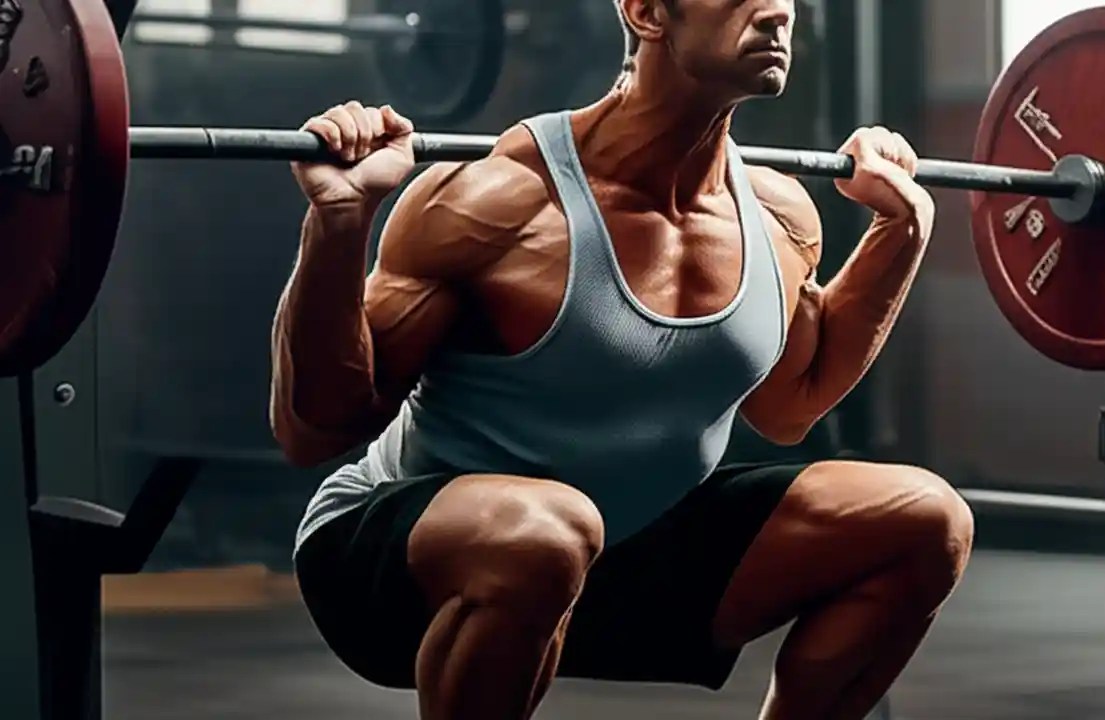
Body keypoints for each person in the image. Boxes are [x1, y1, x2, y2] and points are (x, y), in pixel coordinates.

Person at [271, 0, 974, 718]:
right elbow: (315, 428)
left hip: (614, 550)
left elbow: (790, 406)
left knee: (925, 519)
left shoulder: (778, 215)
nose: (777, 13)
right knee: (550, 530)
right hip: (390, 564)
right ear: (645, 12)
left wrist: (903, 229)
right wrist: (338, 221)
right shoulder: (498, 201)